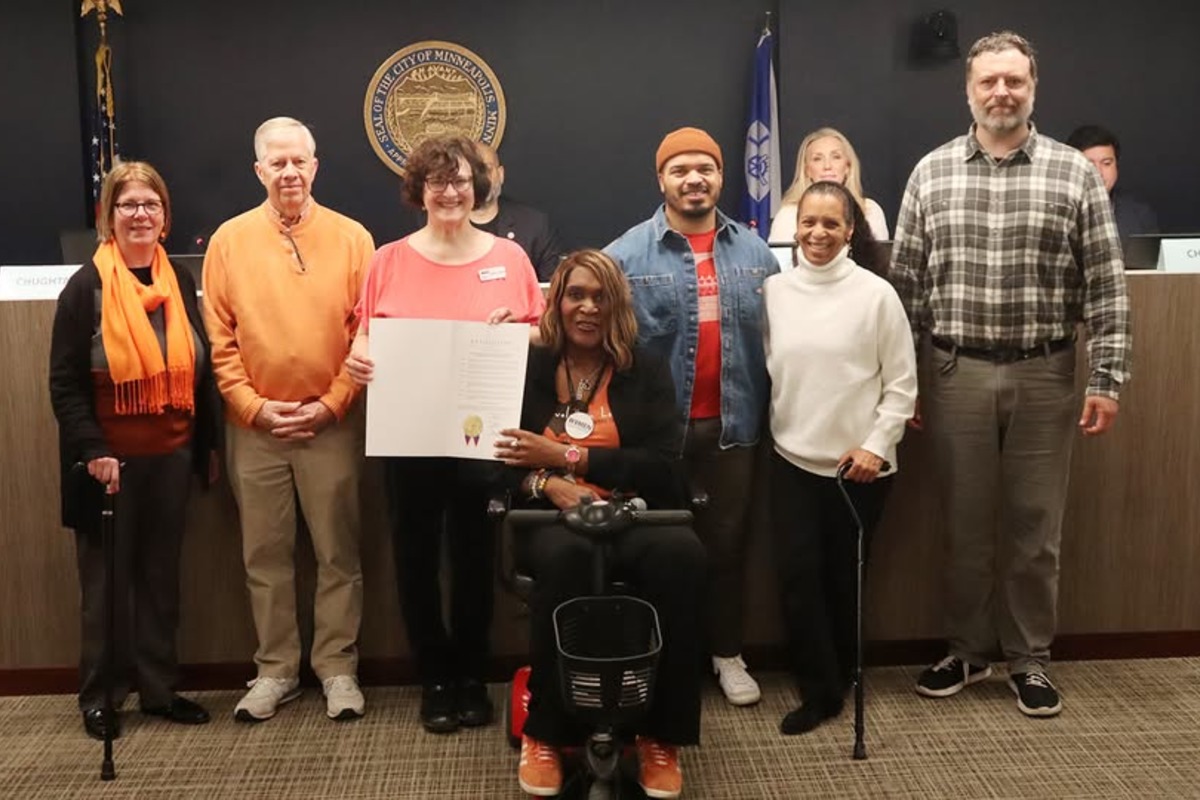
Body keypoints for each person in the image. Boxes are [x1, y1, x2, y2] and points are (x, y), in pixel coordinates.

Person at [891, 31, 1131, 718]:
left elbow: (1107, 286)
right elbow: (906, 289)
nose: (1002, 93)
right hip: (955, 370)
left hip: (1046, 373)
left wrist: (1107, 379)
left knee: (1034, 526)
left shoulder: (1072, 172)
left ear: (1033, 88)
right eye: (989, 82)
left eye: (1014, 82)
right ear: (968, 90)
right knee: (964, 525)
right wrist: (905, 383)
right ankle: (965, 650)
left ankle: (1029, 659)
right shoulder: (931, 172)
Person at [343, 135, 545, 735]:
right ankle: (434, 675)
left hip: (483, 439)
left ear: (478, 186)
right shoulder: (388, 260)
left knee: (476, 556)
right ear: (419, 191)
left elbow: (542, 332)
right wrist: (358, 359)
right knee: (415, 556)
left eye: (460, 180)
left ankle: (468, 673)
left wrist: (516, 332)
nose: (450, 192)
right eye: (437, 182)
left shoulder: (509, 260)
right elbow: (363, 335)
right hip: (409, 438)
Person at [494, 249, 705, 800]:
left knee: (683, 558)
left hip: (636, 510)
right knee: (568, 561)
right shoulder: (525, 367)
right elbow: (493, 459)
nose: (587, 308)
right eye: (575, 295)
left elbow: (663, 465)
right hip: (549, 518)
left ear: (617, 306)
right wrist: (547, 484)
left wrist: (568, 458)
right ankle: (545, 733)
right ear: (556, 302)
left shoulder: (645, 369)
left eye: (600, 296)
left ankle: (662, 733)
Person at [203, 117, 375, 723]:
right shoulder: (228, 241)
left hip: (332, 423)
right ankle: (275, 670)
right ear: (259, 171)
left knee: (337, 555)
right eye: (276, 163)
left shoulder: (355, 239)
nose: (289, 172)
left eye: (299, 161)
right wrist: (253, 408)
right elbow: (219, 342)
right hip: (255, 429)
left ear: (315, 166)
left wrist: (331, 403)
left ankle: (337, 669)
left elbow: (367, 334)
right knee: (265, 556)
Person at [605, 126, 778, 707]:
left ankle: (726, 653)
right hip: (658, 440)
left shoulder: (757, 254)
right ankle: (659, 658)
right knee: (654, 552)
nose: (693, 179)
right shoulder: (627, 254)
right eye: (680, 170)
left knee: (727, 551)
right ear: (661, 180)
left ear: (721, 176)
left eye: (704, 168)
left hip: (735, 432)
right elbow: (580, 324)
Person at [50, 161, 219, 740]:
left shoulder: (180, 284)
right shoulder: (85, 288)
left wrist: (205, 450)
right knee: (105, 588)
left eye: (151, 204)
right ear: (108, 216)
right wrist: (92, 449)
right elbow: (65, 383)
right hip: (108, 465)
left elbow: (201, 374)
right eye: (128, 205)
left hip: (171, 458)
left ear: (165, 217)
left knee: (159, 579)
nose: (140, 214)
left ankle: (157, 689)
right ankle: (100, 696)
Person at [763, 181, 917, 734]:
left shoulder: (876, 295)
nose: (818, 233)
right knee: (798, 580)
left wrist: (877, 446)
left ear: (851, 229)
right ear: (794, 228)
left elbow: (902, 386)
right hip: (791, 461)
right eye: (809, 223)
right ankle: (820, 691)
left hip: (859, 468)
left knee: (841, 581)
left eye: (831, 223)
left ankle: (845, 672)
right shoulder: (775, 293)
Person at [770, 128, 889, 243]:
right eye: (817, 159)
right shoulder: (788, 214)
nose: (827, 166)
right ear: (807, 170)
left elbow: (878, 260)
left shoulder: (870, 211)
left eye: (836, 157)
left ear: (848, 166)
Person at [471, 142, 565, 281]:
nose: (479, 178)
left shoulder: (535, 226)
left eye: (485, 169)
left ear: (500, 174)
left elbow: (550, 291)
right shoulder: (439, 227)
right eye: (471, 171)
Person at [1065, 124, 1160, 237]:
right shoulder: (1054, 211)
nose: (1098, 173)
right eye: (1089, 164)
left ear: (1116, 166)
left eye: (1106, 163)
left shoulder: (1139, 214)